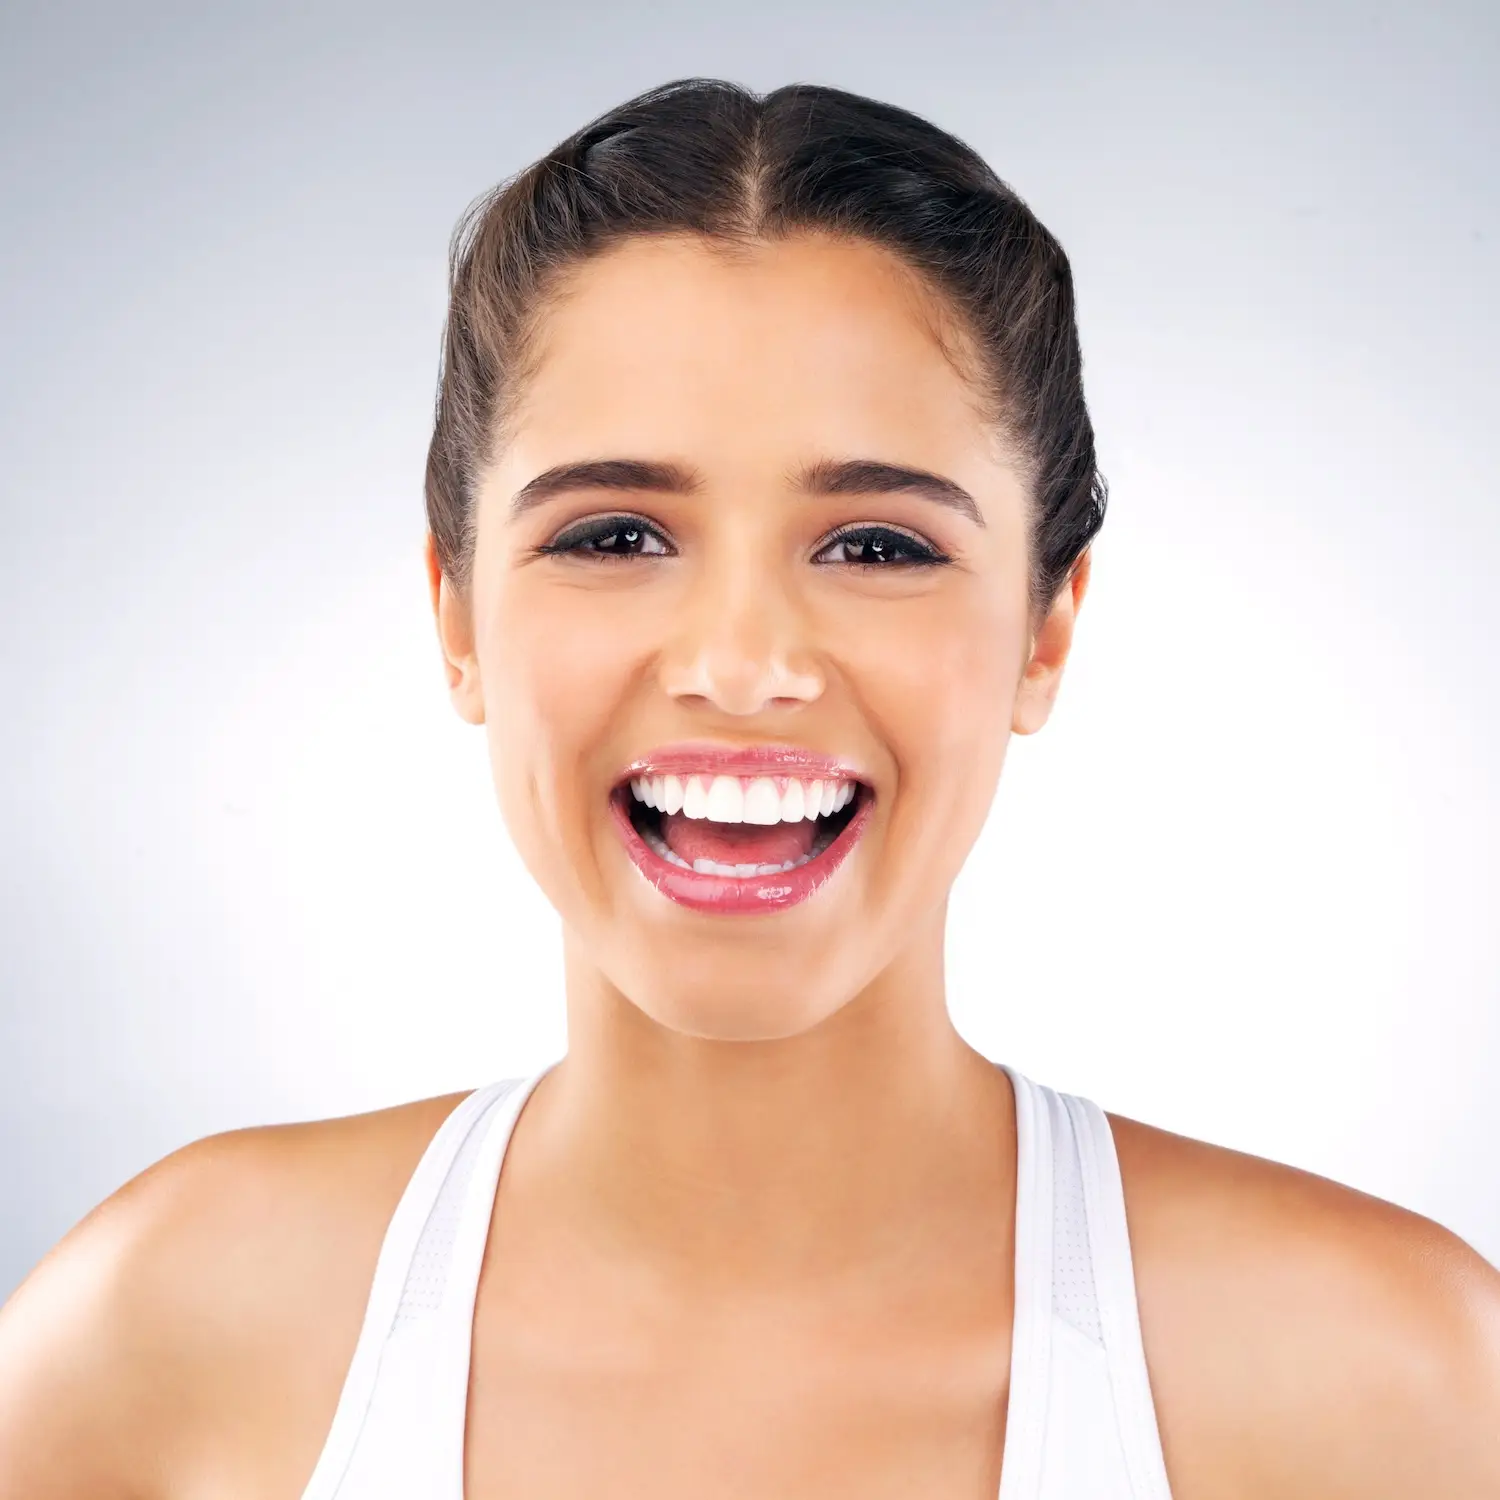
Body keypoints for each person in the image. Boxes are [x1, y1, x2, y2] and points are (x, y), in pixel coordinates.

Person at [0, 76, 1496, 1500]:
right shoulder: (165, 1332)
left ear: (1047, 628)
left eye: (877, 546)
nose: (741, 662)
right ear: (456, 616)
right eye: (614, 535)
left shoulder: (1390, 1385)